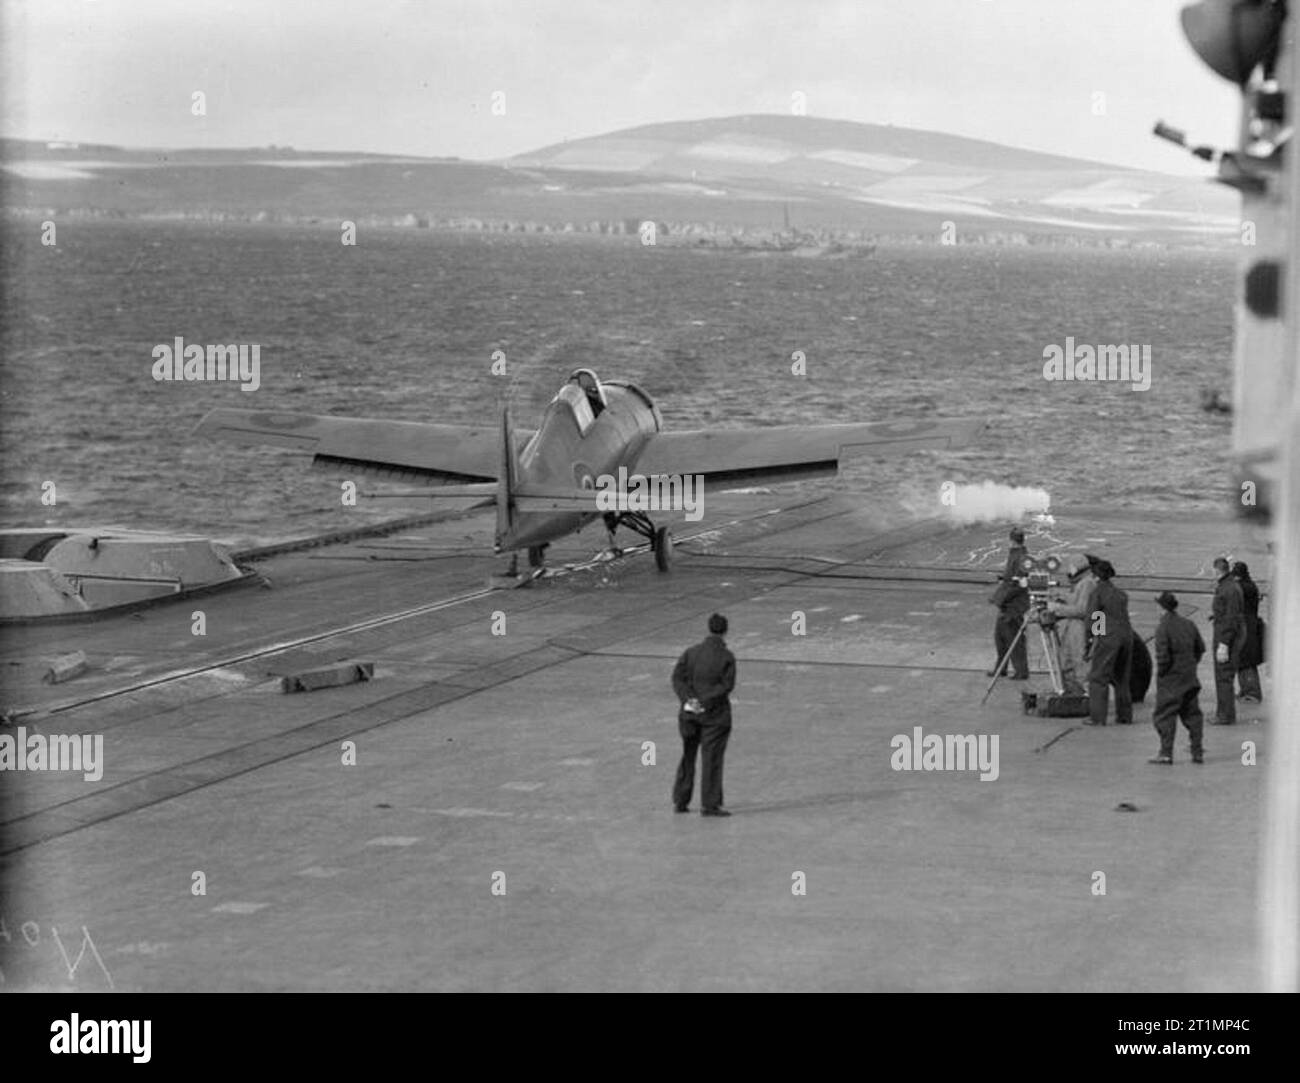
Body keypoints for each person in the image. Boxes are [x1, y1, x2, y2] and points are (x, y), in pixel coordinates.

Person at [671, 613, 737, 817]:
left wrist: (690, 700)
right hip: (714, 717)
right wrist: (705, 702)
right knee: (712, 759)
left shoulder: (691, 653)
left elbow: (677, 678)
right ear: (725, 631)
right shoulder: (726, 657)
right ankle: (710, 804)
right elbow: (726, 686)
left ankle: (681, 799)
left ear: (709, 629)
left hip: (689, 715)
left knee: (688, 755)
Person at [1149, 591, 1205, 765]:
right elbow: (1200, 648)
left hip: (1171, 679)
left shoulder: (1163, 627)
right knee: (1192, 715)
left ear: (1161, 607)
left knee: (1164, 715)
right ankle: (1197, 751)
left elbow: (1162, 655)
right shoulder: (1189, 624)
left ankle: (1166, 752)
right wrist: (1190, 664)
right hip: (1189, 676)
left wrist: (1163, 672)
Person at [1086, 560, 1133, 725]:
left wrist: (1091, 642)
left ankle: (1098, 718)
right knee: (1122, 679)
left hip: (1109, 638)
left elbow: (1094, 619)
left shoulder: (1098, 593)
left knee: (1098, 678)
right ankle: (1125, 716)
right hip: (1127, 637)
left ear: (1096, 577)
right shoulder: (1120, 594)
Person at [1049, 553, 1095, 694]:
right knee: (1066, 662)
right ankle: (1072, 694)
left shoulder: (1087, 583)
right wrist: (1062, 597)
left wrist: (1057, 609)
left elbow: (1082, 610)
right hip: (1073, 628)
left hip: (1081, 629)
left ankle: (1087, 697)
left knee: (1080, 663)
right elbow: (1075, 600)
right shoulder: (1082, 583)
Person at [1208, 556, 1246, 724]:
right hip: (1230, 632)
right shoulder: (1229, 585)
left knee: (1223, 676)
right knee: (1225, 676)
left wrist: (1223, 644)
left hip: (1227, 636)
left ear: (1217, 570)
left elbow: (1231, 618)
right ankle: (1224, 713)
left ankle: (1225, 716)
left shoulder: (1227, 589)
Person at [988, 527, 1029, 680]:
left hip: (1014, 605)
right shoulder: (1017, 555)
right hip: (1008, 602)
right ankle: (1001, 668)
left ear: (1011, 540)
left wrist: (1001, 597)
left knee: (1014, 638)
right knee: (1001, 637)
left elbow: (1019, 584)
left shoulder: (1021, 557)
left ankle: (1021, 671)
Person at [1232, 561, 1263, 703]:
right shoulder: (1250, 584)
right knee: (1243, 660)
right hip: (1249, 625)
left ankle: (1252, 692)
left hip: (1247, 627)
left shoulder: (1244, 587)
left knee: (1246, 661)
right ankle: (1246, 690)